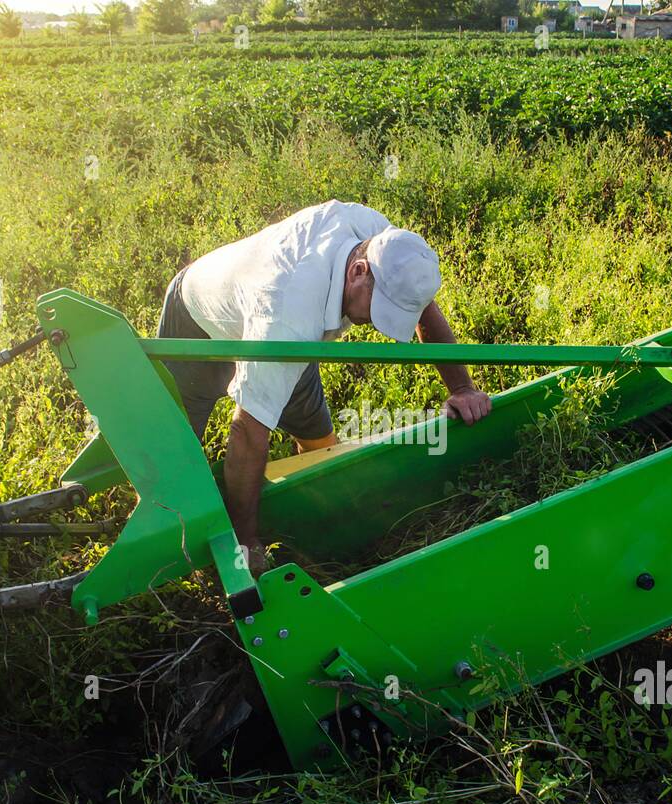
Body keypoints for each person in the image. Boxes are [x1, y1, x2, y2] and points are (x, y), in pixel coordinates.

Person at [158, 200, 493, 573]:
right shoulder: (288, 316)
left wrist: (462, 387)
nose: (376, 324)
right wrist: (245, 544)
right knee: (173, 465)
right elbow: (248, 433)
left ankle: (310, 525)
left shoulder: (380, 240)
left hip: (281, 330)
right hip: (199, 323)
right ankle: (188, 539)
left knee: (319, 445)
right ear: (358, 270)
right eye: (379, 308)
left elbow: (423, 306)